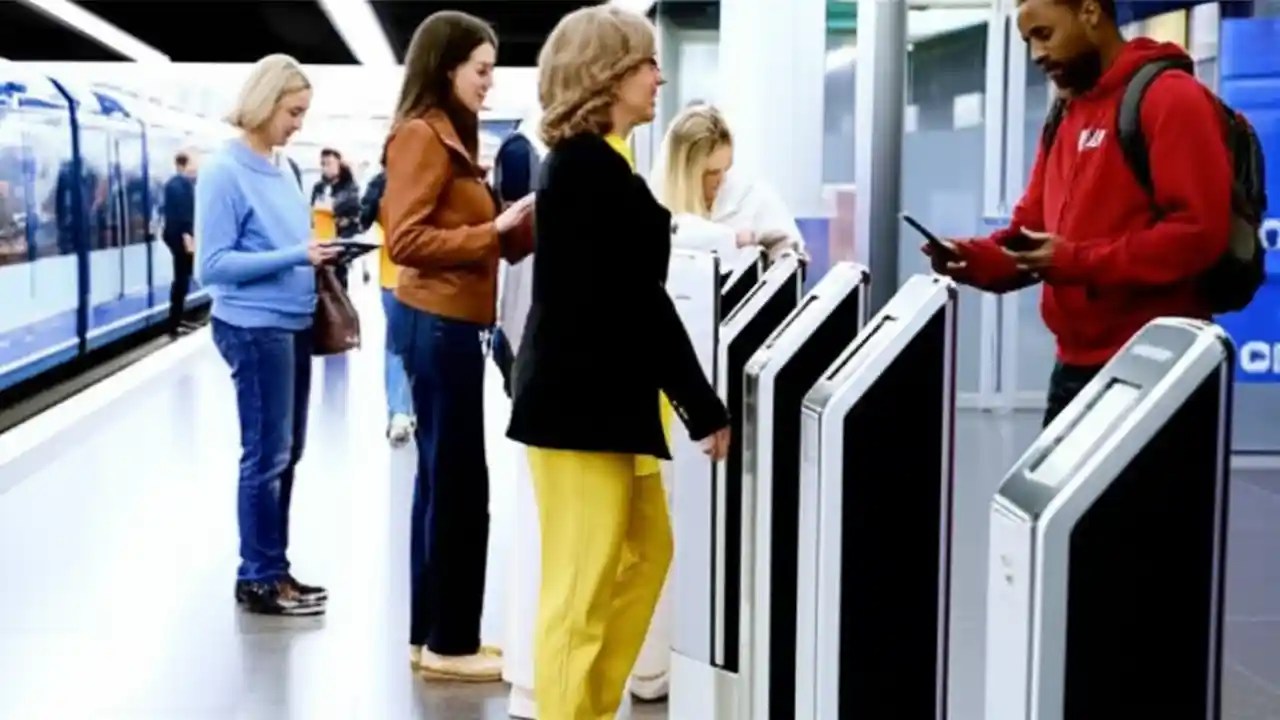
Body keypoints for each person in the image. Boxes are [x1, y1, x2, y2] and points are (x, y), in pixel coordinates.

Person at [506, 7, 731, 719]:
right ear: (606, 76)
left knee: (644, 554)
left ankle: (592, 706)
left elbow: (634, 292)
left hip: (605, 405)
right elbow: (639, 299)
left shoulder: (605, 162)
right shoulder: (583, 170)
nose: (659, 77)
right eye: (646, 64)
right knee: (579, 590)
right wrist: (703, 404)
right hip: (579, 411)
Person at [925, 0, 1233, 427]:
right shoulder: (1065, 113)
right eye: (1028, 40)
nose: (1036, 54)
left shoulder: (1171, 98)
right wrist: (971, 258)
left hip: (1157, 369)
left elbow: (1199, 234)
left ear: (1089, 12)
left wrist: (1073, 260)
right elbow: (1028, 235)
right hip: (1074, 370)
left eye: (1044, 35)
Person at [381, 10, 535, 682]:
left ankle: (434, 635)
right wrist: (492, 231)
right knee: (460, 487)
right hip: (438, 325)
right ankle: (451, 646)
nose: (488, 85)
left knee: (442, 485)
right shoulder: (421, 136)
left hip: (447, 325)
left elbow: (466, 231)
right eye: (481, 71)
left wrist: (513, 227)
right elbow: (405, 242)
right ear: (447, 68)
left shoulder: (451, 136)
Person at [195, 54, 341, 616]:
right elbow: (213, 265)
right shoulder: (223, 171)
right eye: (293, 111)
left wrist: (317, 257)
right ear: (263, 102)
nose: (299, 123)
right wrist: (296, 255)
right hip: (253, 328)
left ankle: (274, 568)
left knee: (288, 453)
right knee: (266, 455)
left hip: (294, 324)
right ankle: (257, 576)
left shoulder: (285, 167)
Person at [653, 103, 805, 278]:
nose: (721, 180)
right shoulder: (655, 206)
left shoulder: (754, 199)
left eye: (726, 168)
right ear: (683, 174)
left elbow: (791, 262)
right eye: (711, 173)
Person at [311, 148, 361, 288]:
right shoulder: (319, 187)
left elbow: (351, 212)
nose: (325, 167)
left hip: (340, 243)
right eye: (323, 164)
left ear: (339, 163)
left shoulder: (350, 189)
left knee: (338, 285)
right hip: (321, 240)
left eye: (329, 163)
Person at [162, 150, 199, 336]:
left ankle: (177, 321)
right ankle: (175, 323)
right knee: (182, 281)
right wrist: (189, 239)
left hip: (173, 237)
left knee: (181, 279)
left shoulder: (171, 184)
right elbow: (186, 215)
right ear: (185, 165)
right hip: (182, 240)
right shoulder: (183, 186)